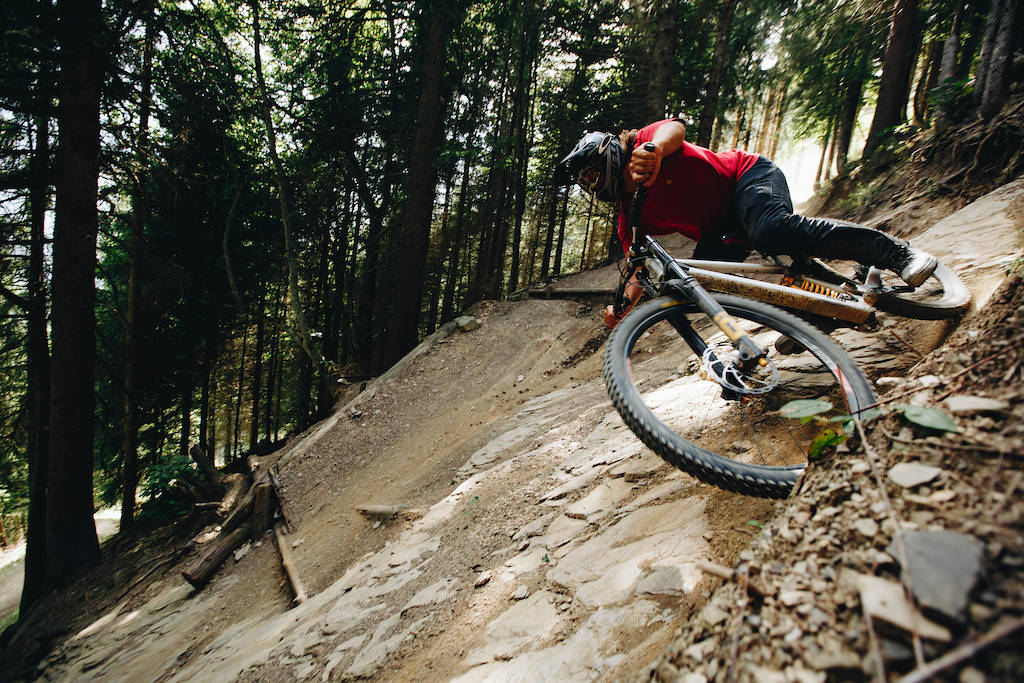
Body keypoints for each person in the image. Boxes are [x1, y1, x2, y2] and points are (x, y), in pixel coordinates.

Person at [553, 118, 938, 328]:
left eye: (588, 175)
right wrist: (622, 309)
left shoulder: (644, 143)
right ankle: (826, 307)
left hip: (748, 177)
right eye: (584, 184)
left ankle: (895, 253)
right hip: (722, 226)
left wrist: (653, 151)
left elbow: (674, 129)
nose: (589, 186)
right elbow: (637, 265)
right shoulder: (629, 216)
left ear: (605, 156)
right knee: (699, 283)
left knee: (771, 229)